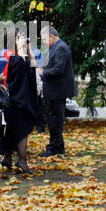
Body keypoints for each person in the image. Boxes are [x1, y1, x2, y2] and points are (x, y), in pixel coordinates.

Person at [0, 33, 41, 173]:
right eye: (19, 38)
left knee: (11, 130)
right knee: (22, 130)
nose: (22, 40)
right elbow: (24, 74)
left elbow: (31, 68)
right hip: (18, 100)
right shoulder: (14, 58)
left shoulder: (9, 55)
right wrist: (25, 53)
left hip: (13, 99)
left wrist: (27, 51)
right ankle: (22, 160)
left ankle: (7, 158)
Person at [40, 26, 75, 156]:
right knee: (53, 119)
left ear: (51, 36)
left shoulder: (61, 48)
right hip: (54, 90)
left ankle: (54, 148)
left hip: (57, 90)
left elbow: (58, 69)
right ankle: (58, 147)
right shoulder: (56, 47)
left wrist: (43, 72)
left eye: (44, 39)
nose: (43, 42)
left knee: (55, 120)